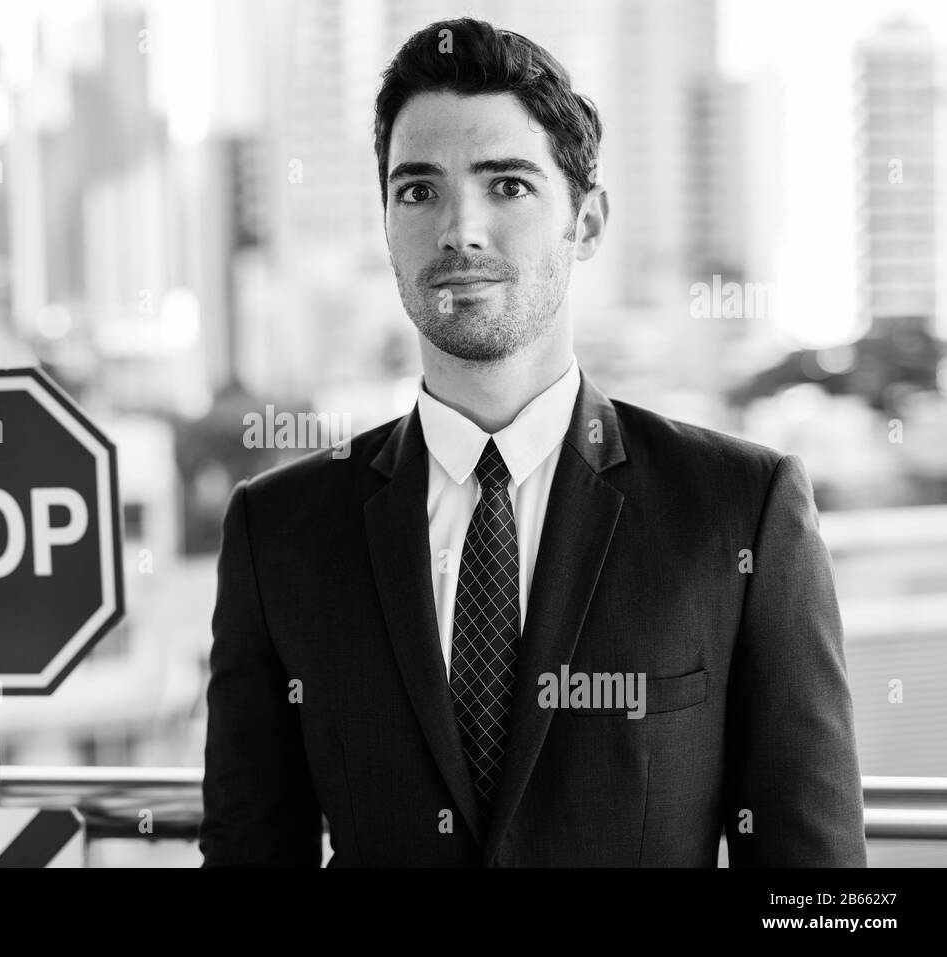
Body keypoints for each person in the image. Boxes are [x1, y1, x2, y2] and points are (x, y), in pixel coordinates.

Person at [199, 17, 866, 867]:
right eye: (419, 190)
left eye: (507, 185)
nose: (459, 230)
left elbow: (818, 887)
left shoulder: (740, 509)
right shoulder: (277, 531)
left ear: (586, 224)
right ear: (387, 225)